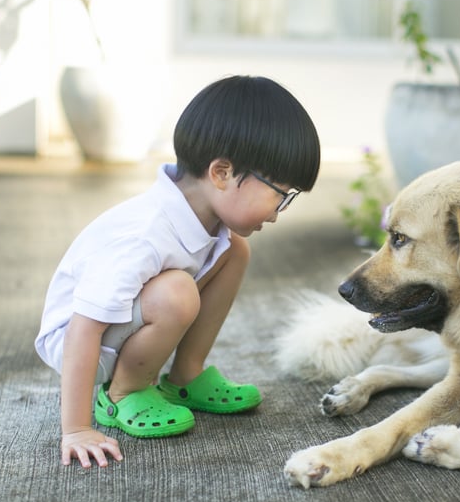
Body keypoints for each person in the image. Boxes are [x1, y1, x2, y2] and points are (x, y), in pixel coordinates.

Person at [35, 75, 321, 468]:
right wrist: (76, 428)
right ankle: (121, 393)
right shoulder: (145, 235)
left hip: (117, 324)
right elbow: (83, 327)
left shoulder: (207, 219)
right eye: (279, 193)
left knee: (235, 250)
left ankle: (185, 377)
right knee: (177, 293)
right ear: (221, 173)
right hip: (80, 341)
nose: (278, 211)